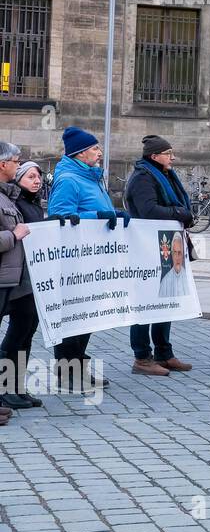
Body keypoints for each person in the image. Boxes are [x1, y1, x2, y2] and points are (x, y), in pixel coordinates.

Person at [47, 127, 127, 390]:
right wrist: (100, 218)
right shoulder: (69, 179)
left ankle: (78, 367)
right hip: (75, 263)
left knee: (87, 318)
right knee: (73, 318)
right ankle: (67, 373)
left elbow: (92, 209)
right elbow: (59, 217)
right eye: (95, 148)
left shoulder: (90, 177)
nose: (100, 152)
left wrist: (111, 212)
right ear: (81, 153)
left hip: (93, 262)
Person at [120, 134, 196, 376]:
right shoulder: (143, 178)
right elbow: (148, 209)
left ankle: (164, 352)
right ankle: (142, 357)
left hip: (166, 244)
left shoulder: (165, 175)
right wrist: (179, 212)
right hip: (147, 248)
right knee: (145, 303)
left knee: (166, 300)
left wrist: (183, 212)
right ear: (154, 156)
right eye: (168, 153)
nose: (172, 157)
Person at [0, 161, 45, 411]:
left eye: (38, 176)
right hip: (16, 278)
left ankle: (17, 386)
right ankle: (5, 388)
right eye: (30, 176)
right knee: (17, 333)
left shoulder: (33, 204)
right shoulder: (13, 201)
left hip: (31, 278)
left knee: (27, 332)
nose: (36, 180)